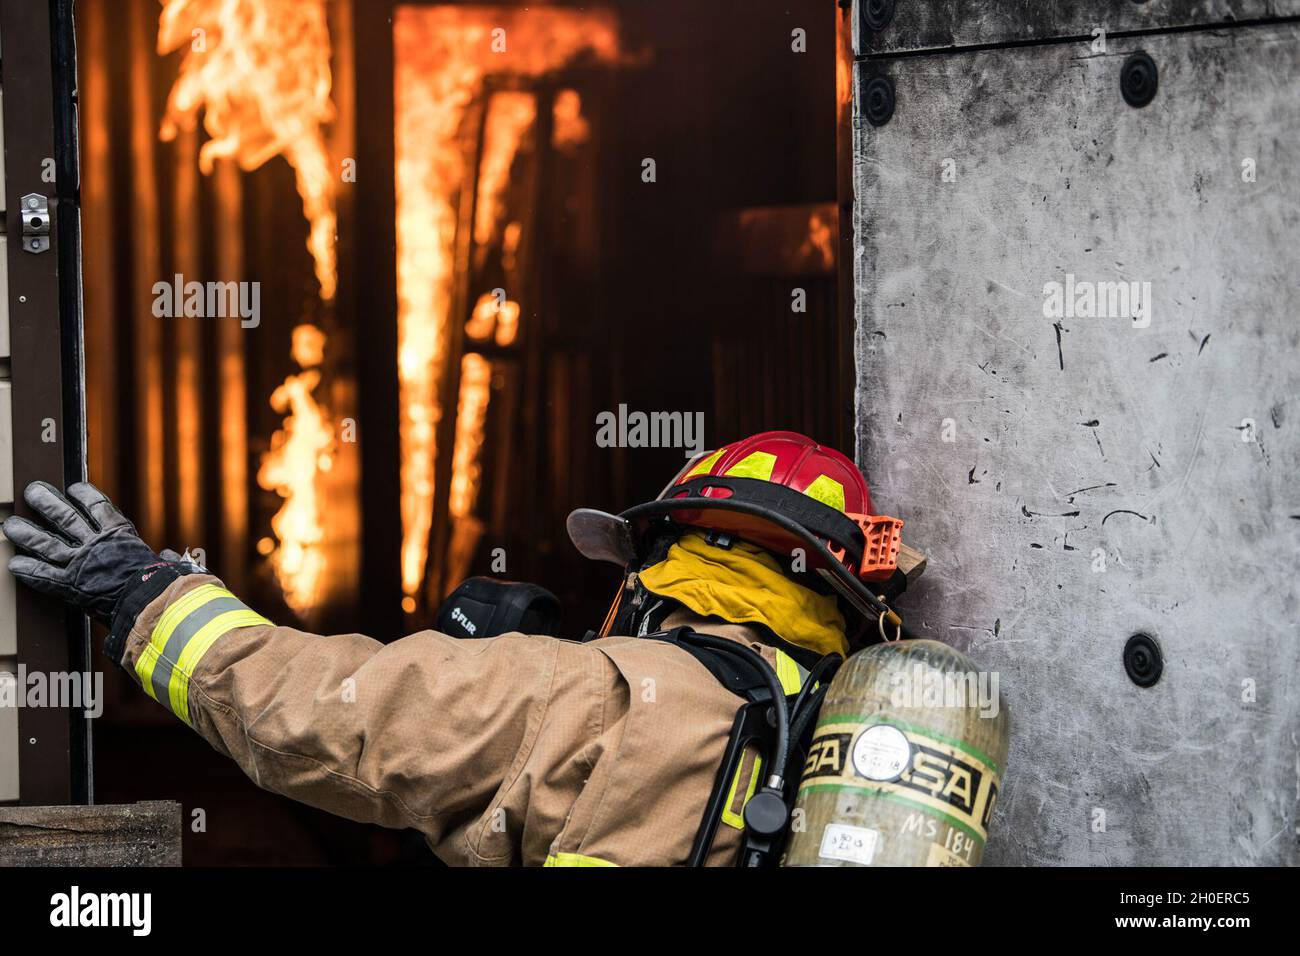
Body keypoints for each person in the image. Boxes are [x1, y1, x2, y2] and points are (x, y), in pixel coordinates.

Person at [2, 430, 908, 866]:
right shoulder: (846, 729)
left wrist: (135, 591)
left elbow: (317, 714)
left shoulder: (583, 695)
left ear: (661, 564)